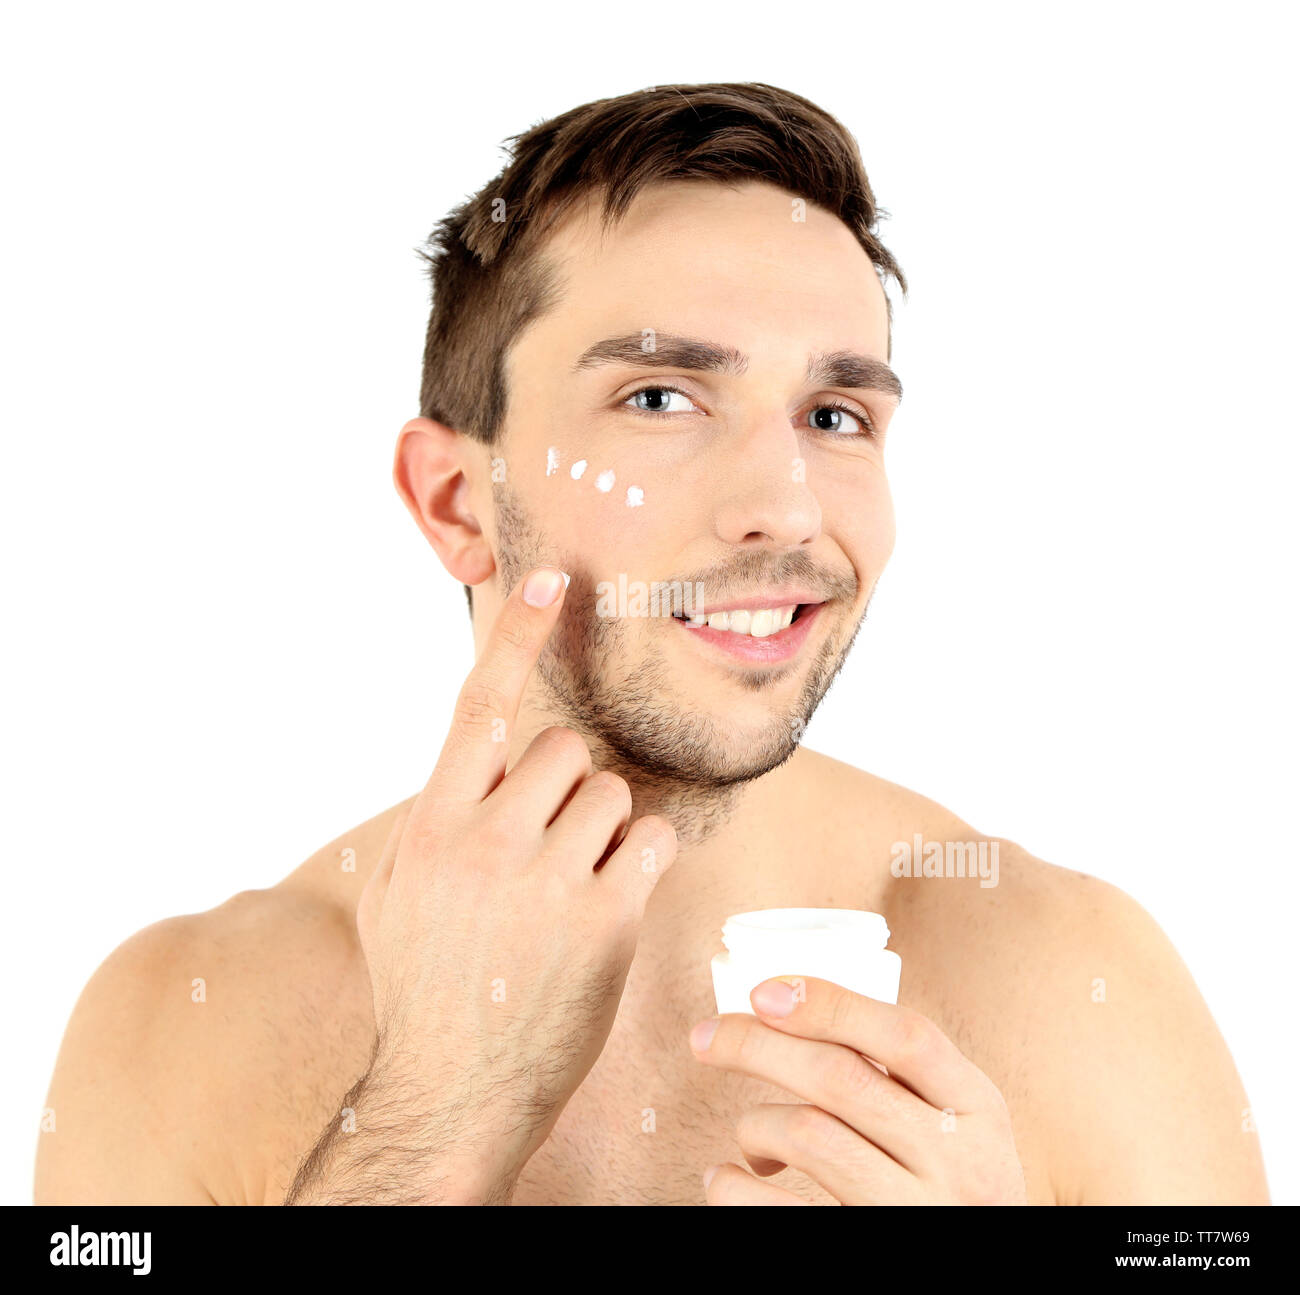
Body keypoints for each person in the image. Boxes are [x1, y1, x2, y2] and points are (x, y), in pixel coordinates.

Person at [34, 82, 1270, 1206]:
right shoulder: (179, 1020)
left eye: (835, 413)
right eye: (662, 397)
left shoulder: (1077, 982)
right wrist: (431, 1122)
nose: (785, 505)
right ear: (457, 503)